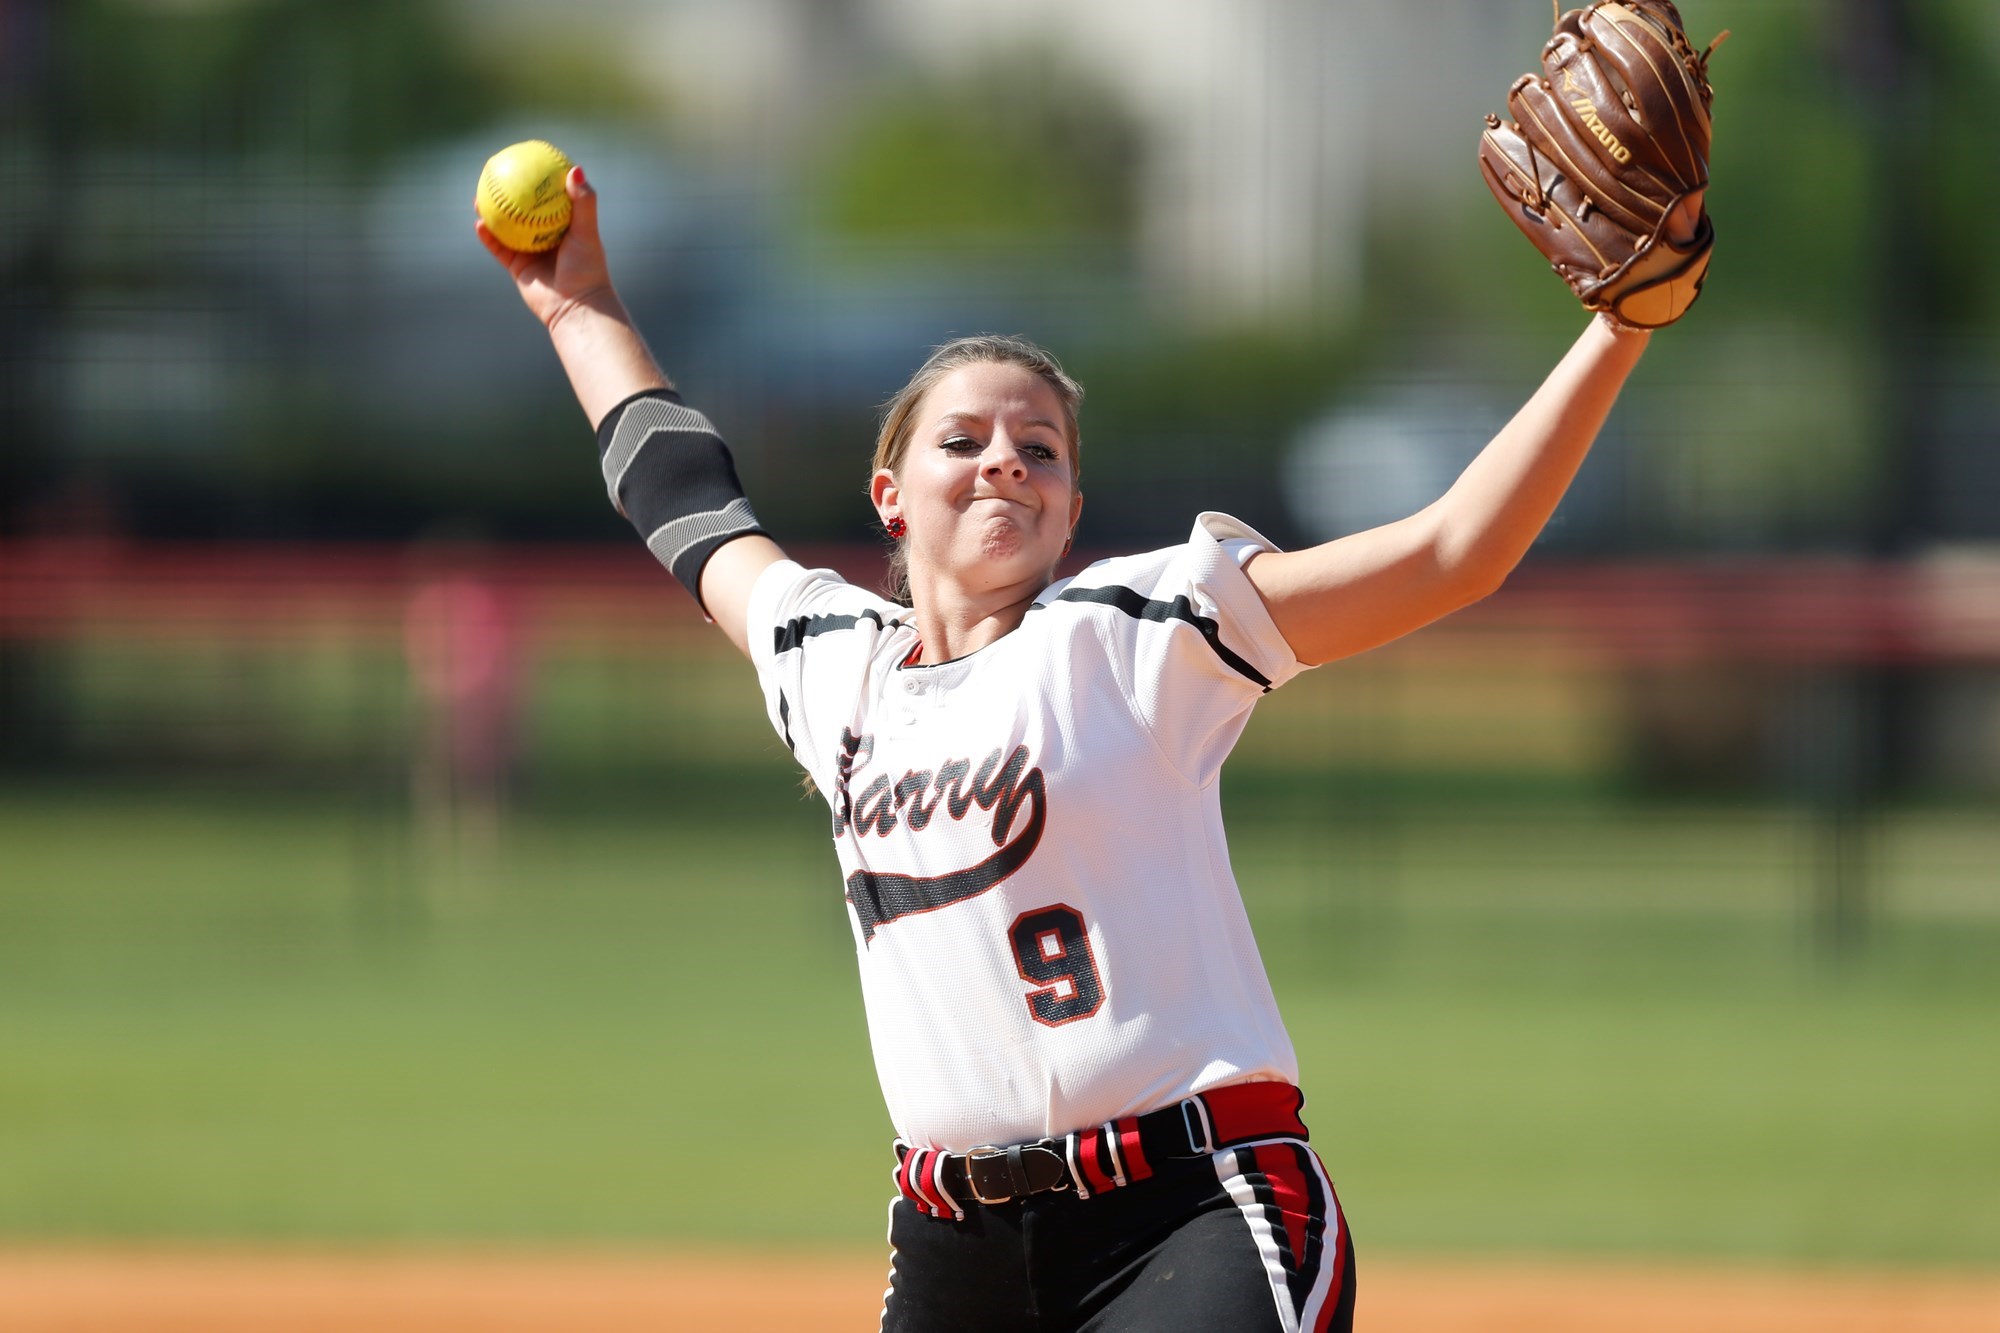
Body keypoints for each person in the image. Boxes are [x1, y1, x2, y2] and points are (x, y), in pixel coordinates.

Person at [478, 162, 1676, 1333]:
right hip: (953, 1248)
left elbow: (1449, 551)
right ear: (890, 495)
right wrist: (580, 307)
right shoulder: (829, 660)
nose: (1005, 458)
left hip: (1189, 1212)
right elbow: (684, 499)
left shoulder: (1133, 633)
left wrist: (1618, 327)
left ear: (1068, 514)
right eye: (963, 440)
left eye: (1039, 448)